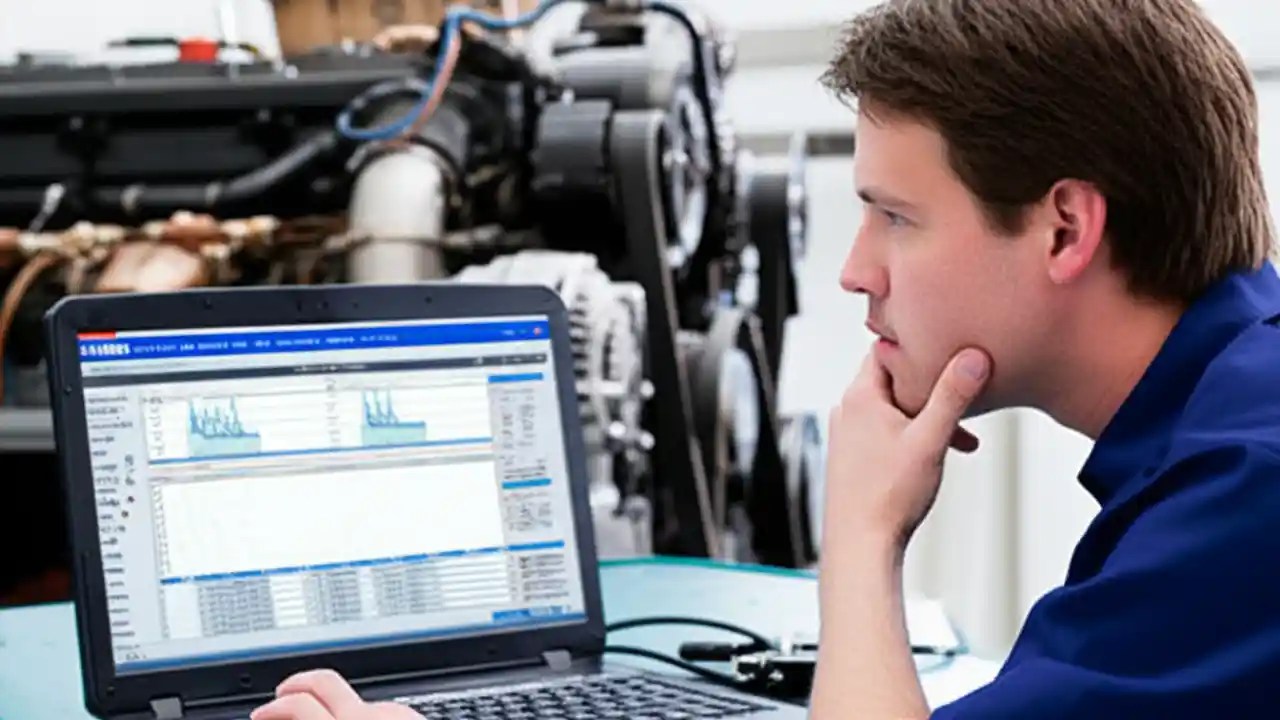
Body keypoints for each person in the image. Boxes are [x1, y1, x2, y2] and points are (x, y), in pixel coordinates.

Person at [250, 0, 1280, 718]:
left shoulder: (1248, 487)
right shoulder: (1227, 423)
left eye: (893, 217)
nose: (851, 270)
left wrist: (863, 535)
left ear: (1062, 230)